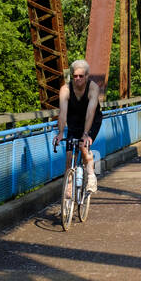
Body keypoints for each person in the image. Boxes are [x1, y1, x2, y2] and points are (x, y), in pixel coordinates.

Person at [54, 59, 102, 193]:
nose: (78, 79)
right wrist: (60, 133)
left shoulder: (93, 88)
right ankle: (68, 190)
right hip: (74, 120)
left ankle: (92, 176)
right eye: (75, 76)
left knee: (83, 146)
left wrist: (86, 134)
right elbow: (62, 113)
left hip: (92, 120)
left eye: (81, 76)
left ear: (87, 76)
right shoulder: (65, 89)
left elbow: (91, 112)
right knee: (69, 156)